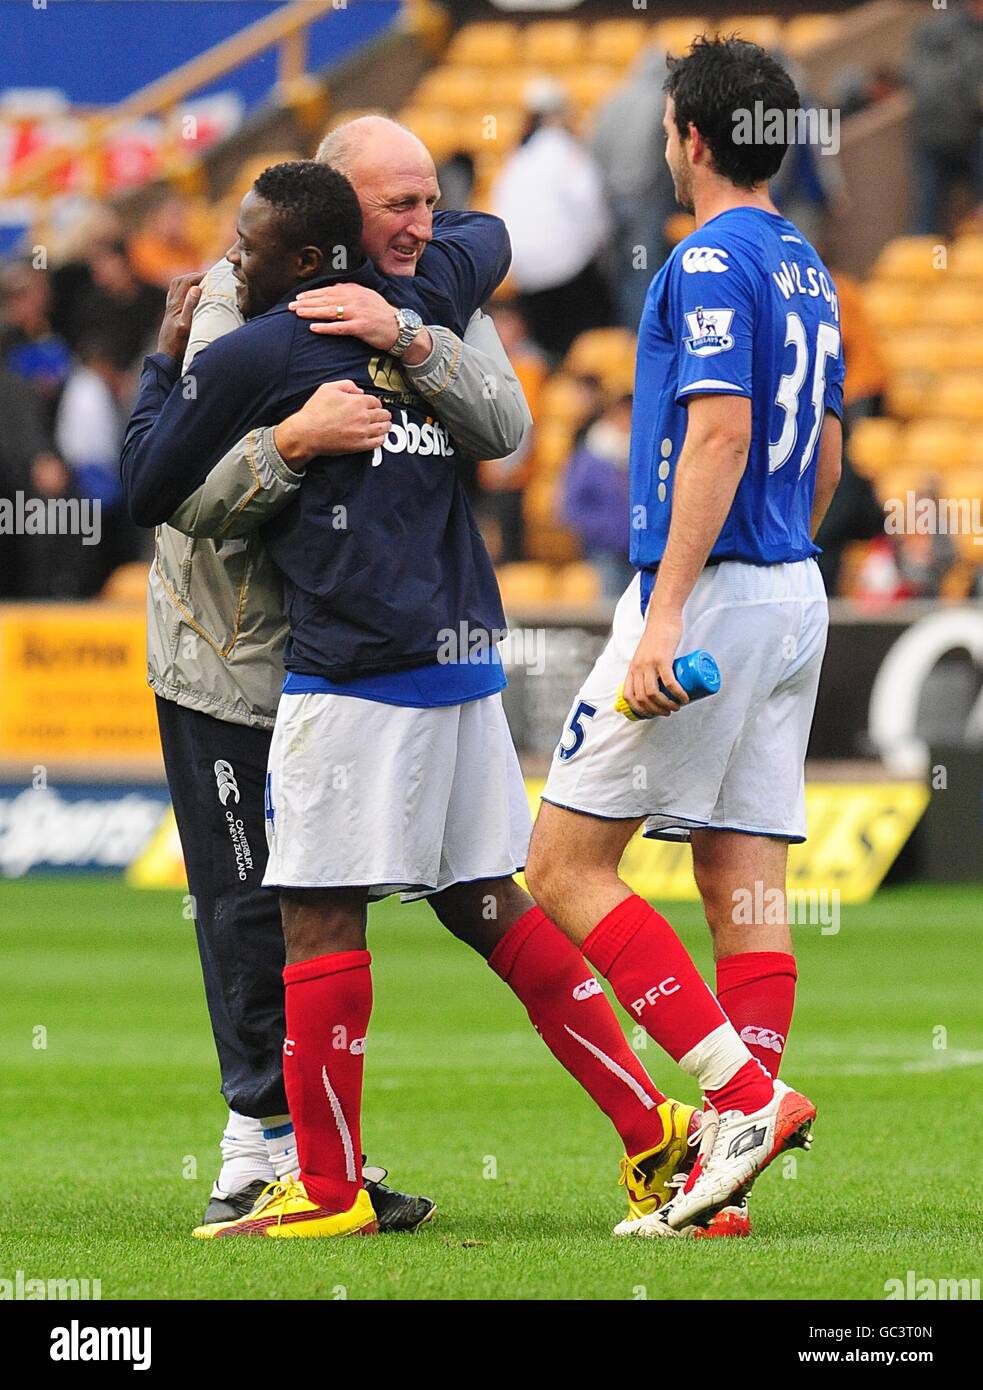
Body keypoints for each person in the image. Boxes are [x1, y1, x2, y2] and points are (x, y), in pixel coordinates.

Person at [124, 140, 706, 1242]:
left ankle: (324, 1186)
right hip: (460, 660)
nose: (227, 264)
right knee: (488, 901)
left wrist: (218, 397)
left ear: (302, 250)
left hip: (346, 671)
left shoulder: (264, 344)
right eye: (406, 204)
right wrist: (401, 319)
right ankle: (653, 1130)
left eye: (248, 247)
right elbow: (487, 241)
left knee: (306, 915)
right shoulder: (429, 291)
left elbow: (154, 486)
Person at [131, 122, 533, 1232]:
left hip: (332, 663)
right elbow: (178, 497)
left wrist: (410, 316)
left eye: (428, 201)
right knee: (250, 907)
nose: (423, 223)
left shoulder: (410, 280)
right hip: (228, 659)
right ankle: (250, 1155)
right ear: (328, 221)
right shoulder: (236, 304)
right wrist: (293, 442)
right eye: (395, 204)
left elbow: (490, 241)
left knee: (348, 905)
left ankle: (322, 1161)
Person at [525, 36, 842, 1238]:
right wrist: (780, 564)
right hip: (787, 586)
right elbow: (816, 444)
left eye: (666, 128)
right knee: (741, 878)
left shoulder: (706, 259)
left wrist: (665, 612)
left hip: (706, 591)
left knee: (560, 862)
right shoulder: (806, 263)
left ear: (691, 139)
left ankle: (740, 1099)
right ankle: (724, 1183)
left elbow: (717, 433)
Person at [492, 79, 612, 359]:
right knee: (587, 346)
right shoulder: (566, 150)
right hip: (568, 272)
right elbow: (591, 205)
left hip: (526, 275)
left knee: (550, 355)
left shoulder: (517, 159)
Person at [591, 48, 677, 329]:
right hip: (645, 199)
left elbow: (594, 147)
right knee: (645, 268)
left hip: (611, 198)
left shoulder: (613, 99)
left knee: (621, 270)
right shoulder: (659, 102)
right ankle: (644, 333)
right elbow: (662, 153)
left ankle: (625, 336)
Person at [561, 392, 634, 600]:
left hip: (637, 547)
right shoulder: (591, 456)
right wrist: (605, 530)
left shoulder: (641, 454)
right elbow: (570, 505)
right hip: (604, 550)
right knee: (609, 605)